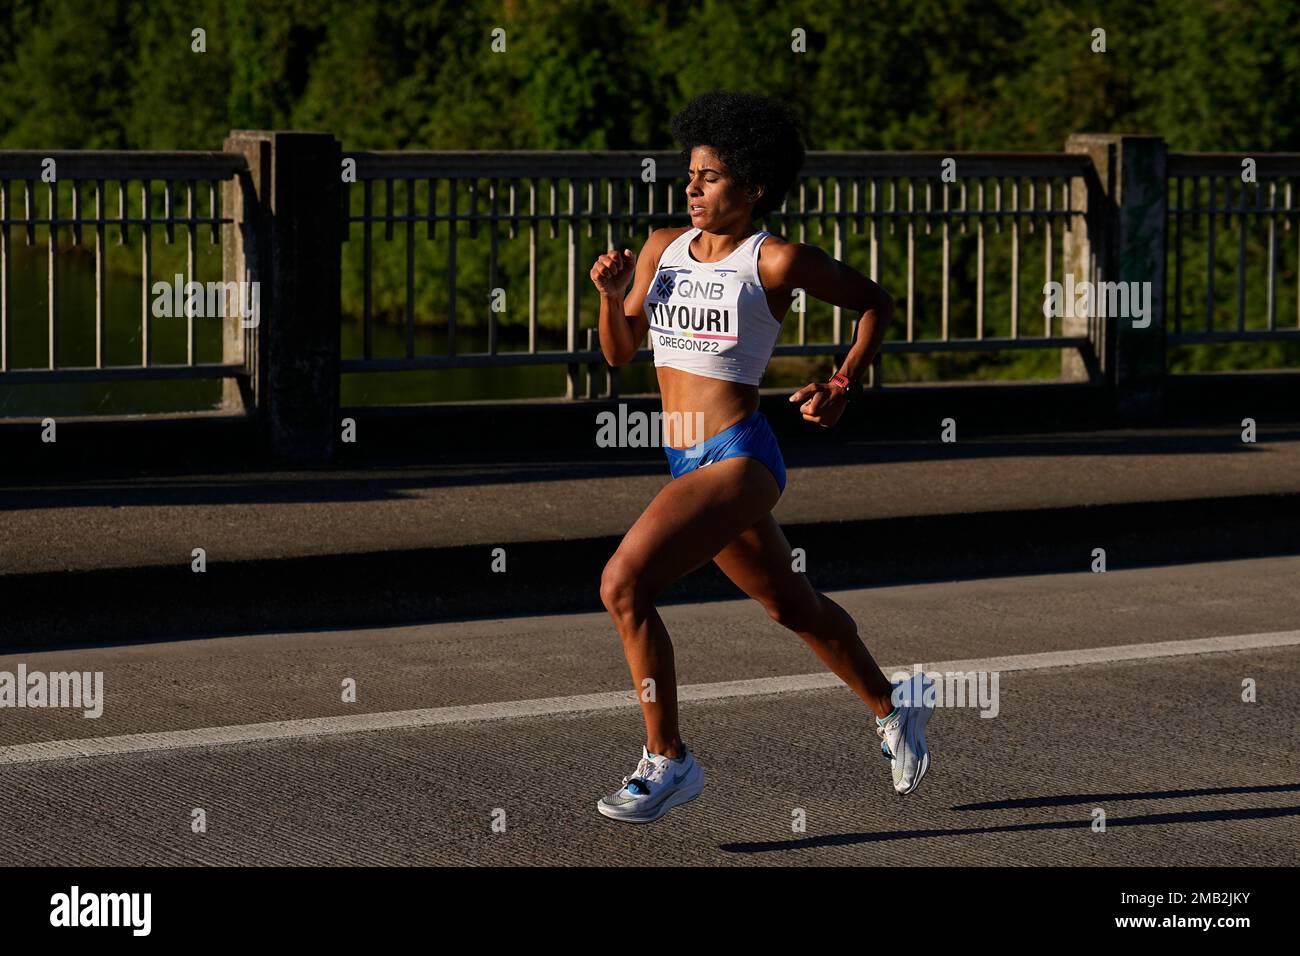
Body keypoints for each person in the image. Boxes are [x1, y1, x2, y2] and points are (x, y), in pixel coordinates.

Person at [588, 90, 934, 824]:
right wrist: (613, 296)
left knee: (623, 585)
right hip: (685, 463)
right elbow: (620, 353)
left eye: (710, 178)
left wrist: (843, 382)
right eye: (690, 175)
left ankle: (668, 760)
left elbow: (876, 300)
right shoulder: (660, 248)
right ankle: (892, 704)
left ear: (753, 189)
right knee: (790, 604)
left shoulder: (773, 261)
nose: (692, 188)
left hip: (739, 458)